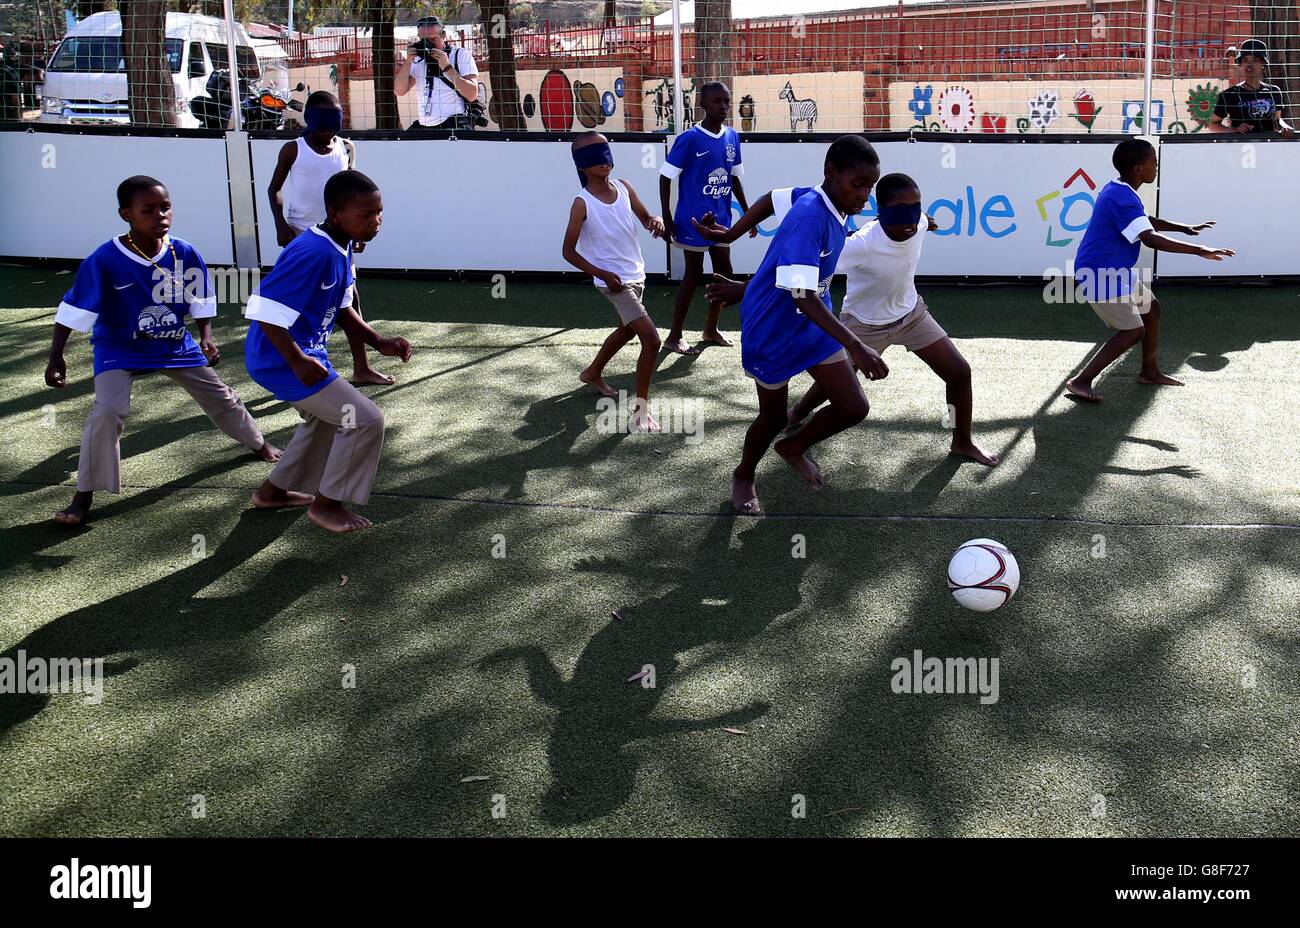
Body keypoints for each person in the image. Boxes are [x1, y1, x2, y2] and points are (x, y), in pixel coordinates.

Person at [700, 174, 1000, 467]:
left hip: (911, 315)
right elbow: (799, 273)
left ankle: (962, 441)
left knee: (959, 372)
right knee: (837, 385)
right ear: (880, 214)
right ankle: (797, 414)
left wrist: (926, 221)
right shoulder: (859, 244)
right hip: (862, 324)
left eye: (914, 212)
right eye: (899, 214)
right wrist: (747, 288)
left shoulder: (918, 222)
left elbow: (920, 219)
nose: (909, 222)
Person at [45, 176, 279, 526]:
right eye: (148, 210)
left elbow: (200, 299)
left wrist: (206, 337)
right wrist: (55, 357)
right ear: (126, 214)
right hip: (119, 348)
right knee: (108, 410)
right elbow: (73, 309)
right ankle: (84, 495)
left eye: (165, 207)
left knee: (222, 397)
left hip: (173, 344)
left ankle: (258, 443)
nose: (160, 216)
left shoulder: (183, 251)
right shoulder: (106, 258)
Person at [726, 135, 888, 515]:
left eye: (870, 186)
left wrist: (732, 234)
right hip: (774, 328)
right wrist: (856, 345)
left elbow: (770, 198)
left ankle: (792, 446)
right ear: (831, 172)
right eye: (858, 184)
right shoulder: (811, 215)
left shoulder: (822, 197)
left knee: (853, 405)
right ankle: (744, 473)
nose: (865, 195)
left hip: (812, 322)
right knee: (773, 417)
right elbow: (801, 295)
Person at [246, 170, 413, 533]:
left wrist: (377, 341)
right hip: (280, 359)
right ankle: (327, 505)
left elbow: (340, 307)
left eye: (379, 212)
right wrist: (296, 360)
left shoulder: (341, 243)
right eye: (366, 215)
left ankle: (272, 492)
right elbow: (263, 309)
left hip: (301, 356)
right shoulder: (314, 252)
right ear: (335, 213)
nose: (376, 222)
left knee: (327, 419)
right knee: (364, 418)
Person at [1066, 138, 1234, 403]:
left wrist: (1184, 228)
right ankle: (1081, 381)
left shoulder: (1120, 189)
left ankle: (1149, 371)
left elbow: (1144, 221)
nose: (1156, 166)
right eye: (1153, 162)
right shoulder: (1121, 196)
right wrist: (1199, 249)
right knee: (1133, 331)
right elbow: (1149, 237)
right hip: (1099, 273)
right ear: (1137, 169)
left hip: (1115, 270)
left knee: (1151, 309)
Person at [266, 90, 392, 386]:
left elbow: (352, 191)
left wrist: (355, 232)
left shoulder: (345, 148)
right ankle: (294, 360)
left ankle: (361, 367)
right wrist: (281, 225)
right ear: (308, 119)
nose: (327, 128)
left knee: (349, 297)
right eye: (322, 119)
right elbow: (275, 189)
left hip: (338, 233)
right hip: (302, 233)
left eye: (333, 119)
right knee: (299, 297)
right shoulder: (293, 149)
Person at [561, 132, 665, 431]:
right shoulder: (582, 203)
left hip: (635, 274)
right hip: (613, 283)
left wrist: (655, 221)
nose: (602, 161)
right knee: (651, 338)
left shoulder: (624, 187)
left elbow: (648, 220)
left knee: (627, 331)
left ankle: (592, 372)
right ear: (581, 165)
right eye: (592, 155)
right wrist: (602, 273)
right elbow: (568, 252)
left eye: (604, 151)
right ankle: (641, 410)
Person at [658, 81, 752, 354]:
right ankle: (674, 336)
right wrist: (667, 217)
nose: (723, 107)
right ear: (703, 104)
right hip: (692, 222)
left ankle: (710, 329)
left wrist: (747, 214)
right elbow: (665, 177)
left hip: (722, 220)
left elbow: (734, 179)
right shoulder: (689, 139)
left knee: (725, 274)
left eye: (726, 101)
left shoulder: (732, 136)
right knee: (693, 274)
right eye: (716, 102)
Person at [394, 15, 479, 132]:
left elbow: (472, 94)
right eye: (424, 41)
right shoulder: (418, 59)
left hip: (452, 125)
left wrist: (447, 66)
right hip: (425, 126)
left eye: (433, 40)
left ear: (443, 35)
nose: (429, 45)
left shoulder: (460, 55)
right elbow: (399, 91)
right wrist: (408, 62)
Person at [1207, 39, 1295, 137]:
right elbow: (1212, 124)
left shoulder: (1274, 91)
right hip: (1240, 148)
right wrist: (1234, 130)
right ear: (1240, 64)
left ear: (1263, 64)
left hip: (1270, 147)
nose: (1249, 65)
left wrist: (1286, 128)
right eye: (1245, 60)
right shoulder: (1228, 95)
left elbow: (1277, 119)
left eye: (1255, 60)